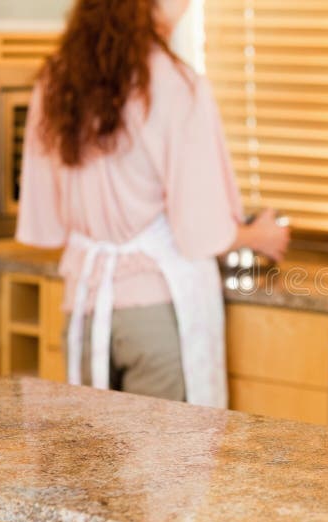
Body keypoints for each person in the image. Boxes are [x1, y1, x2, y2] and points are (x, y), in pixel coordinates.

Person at [16, 0, 290, 407]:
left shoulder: (56, 80)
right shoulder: (178, 85)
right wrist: (260, 235)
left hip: (85, 308)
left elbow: (46, 220)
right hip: (159, 313)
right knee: (167, 464)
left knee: (93, 462)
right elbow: (199, 231)